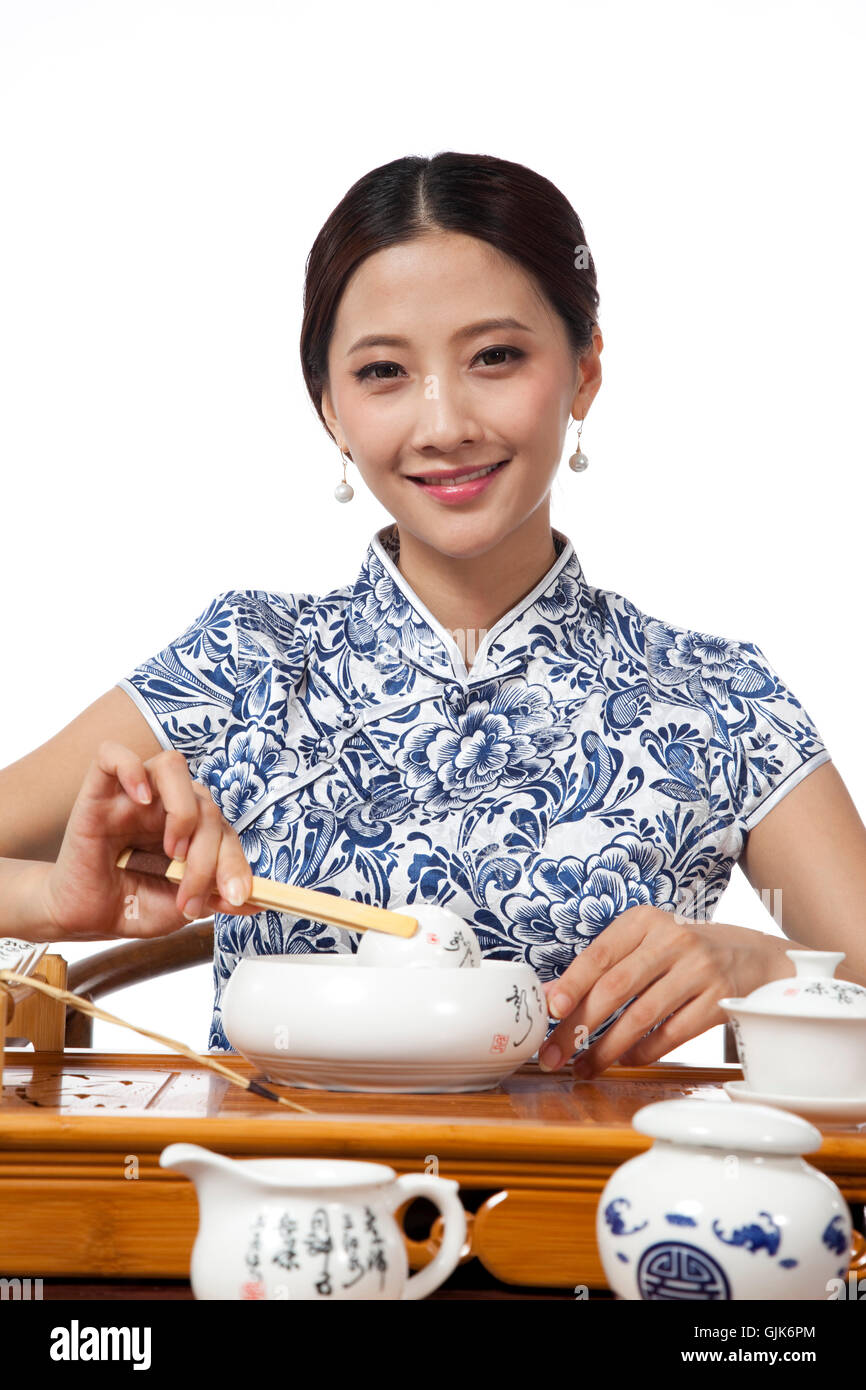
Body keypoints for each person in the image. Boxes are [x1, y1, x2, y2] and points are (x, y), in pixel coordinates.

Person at [3, 151, 866, 1070]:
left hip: (596, 1208)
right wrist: (57, 902)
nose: (444, 421)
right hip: (267, 1199)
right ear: (328, 408)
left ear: (583, 372)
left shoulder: (718, 694)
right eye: (383, 372)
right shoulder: (245, 658)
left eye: (495, 357)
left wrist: (767, 971)